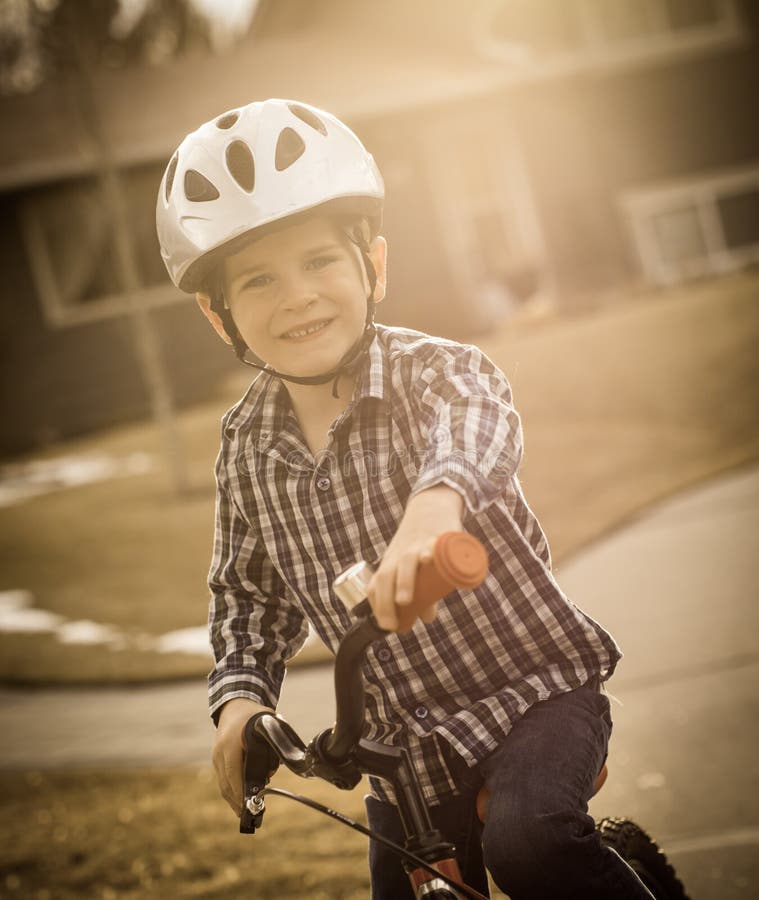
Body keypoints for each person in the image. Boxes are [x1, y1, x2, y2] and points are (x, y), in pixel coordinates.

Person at [156, 98, 654, 899]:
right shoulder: (246, 448)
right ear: (220, 318)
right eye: (258, 279)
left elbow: (477, 422)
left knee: (529, 843)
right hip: (402, 757)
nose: (297, 296)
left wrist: (436, 505)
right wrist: (241, 699)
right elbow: (246, 596)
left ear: (373, 268)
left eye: (320, 261)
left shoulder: (435, 374)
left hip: (532, 699)